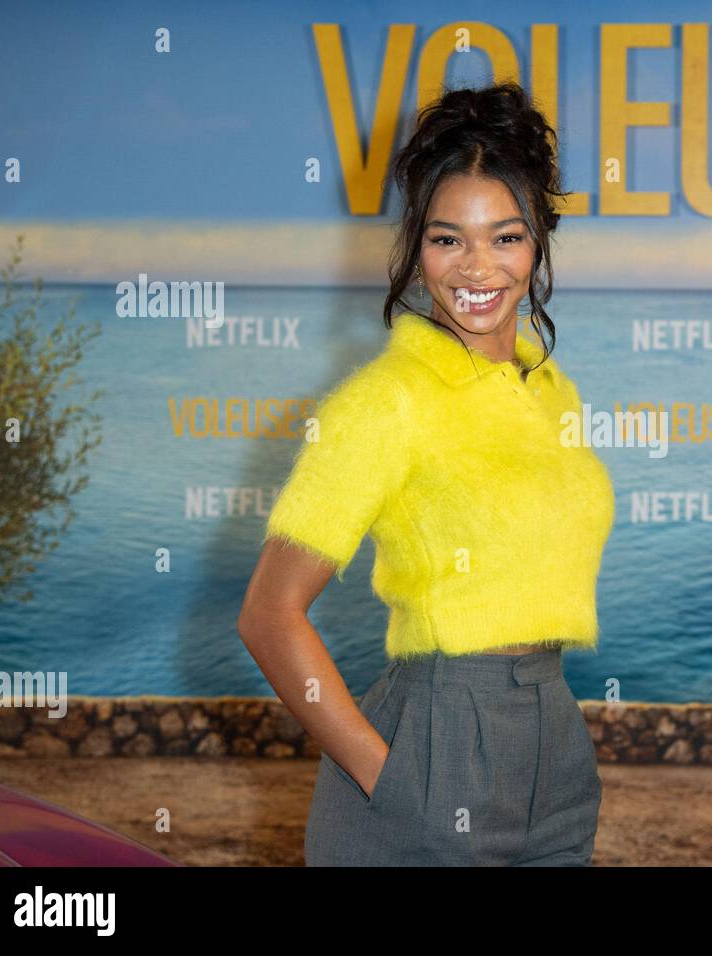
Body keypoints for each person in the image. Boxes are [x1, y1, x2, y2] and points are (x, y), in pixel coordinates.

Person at [237, 82, 615, 866]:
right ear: (416, 246)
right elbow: (270, 615)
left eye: (505, 236)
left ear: (539, 240)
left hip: (556, 749)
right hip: (436, 745)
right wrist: (390, 777)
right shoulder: (385, 402)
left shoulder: (553, 391)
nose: (477, 266)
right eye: (448, 240)